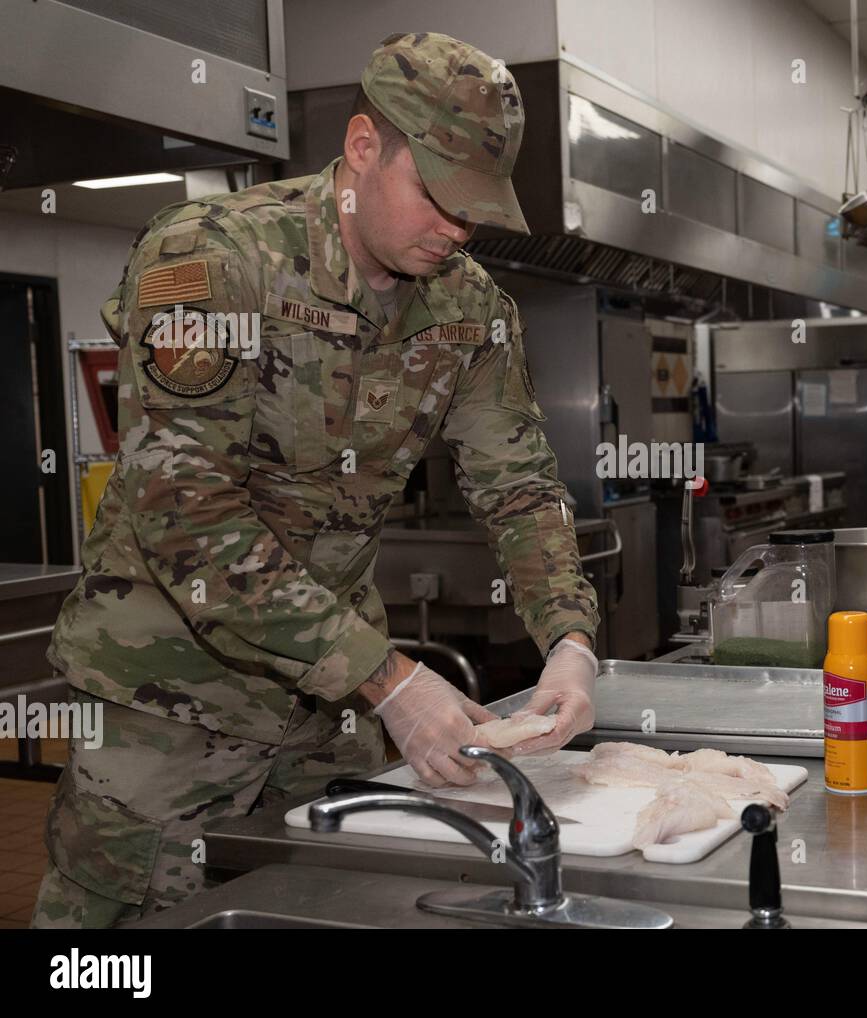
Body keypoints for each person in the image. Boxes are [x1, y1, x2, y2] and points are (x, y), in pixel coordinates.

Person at [33, 31, 599, 928]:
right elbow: (187, 516)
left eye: (476, 209)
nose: (456, 229)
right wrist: (390, 681)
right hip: (167, 709)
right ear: (364, 148)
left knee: (317, 913)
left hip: (324, 718)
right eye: (439, 197)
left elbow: (519, 484)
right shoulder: (215, 262)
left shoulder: (471, 309)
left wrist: (568, 635)